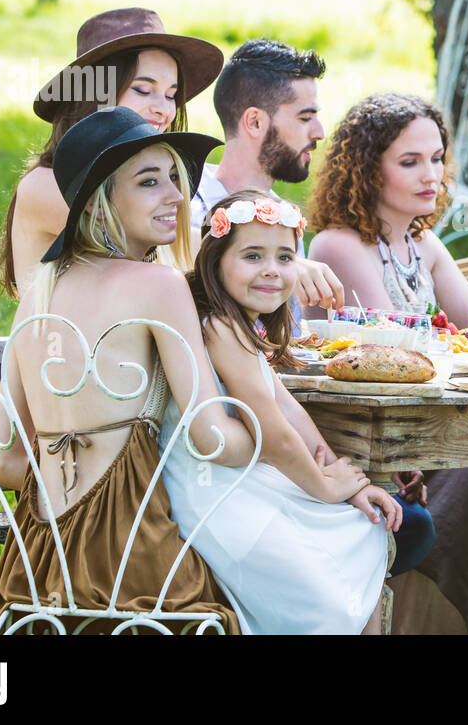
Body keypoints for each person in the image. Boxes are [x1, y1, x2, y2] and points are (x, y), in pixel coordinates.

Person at [308, 93, 468, 634]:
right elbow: (396, 352)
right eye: (409, 162)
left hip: (424, 427)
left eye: (437, 157)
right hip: (361, 444)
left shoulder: (421, 243)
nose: (432, 174)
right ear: (366, 170)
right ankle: (454, 616)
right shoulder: (340, 245)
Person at [0, 107, 246, 633]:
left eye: (175, 178)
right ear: (101, 203)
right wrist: (279, 437)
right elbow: (212, 438)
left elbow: (6, 463)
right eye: (149, 182)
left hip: (33, 581)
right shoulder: (161, 287)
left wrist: (67, 462)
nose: (176, 196)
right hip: (138, 572)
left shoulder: (37, 291)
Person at [160, 189, 395, 634]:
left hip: (244, 481)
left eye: (285, 258)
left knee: (362, 531)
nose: (272, 270)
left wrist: (347, 480)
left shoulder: (244, 325)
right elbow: (271, 430)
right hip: (212, 495)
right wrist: (326, 487)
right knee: (326, 598)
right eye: (252, 255)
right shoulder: (218, 326)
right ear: (215, 261)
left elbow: (290, 413)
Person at [0, 7, 224, 299]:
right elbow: (153, 237)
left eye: (170, 95)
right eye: (143, 90)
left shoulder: (145, 181)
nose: (164, 110)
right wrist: (247, 244)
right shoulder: (45, 185)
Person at [191, 39, 345, 313]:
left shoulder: (285, 218)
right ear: (255, 122)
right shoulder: (185, 202)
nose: (320, 132)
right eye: (305, 118)